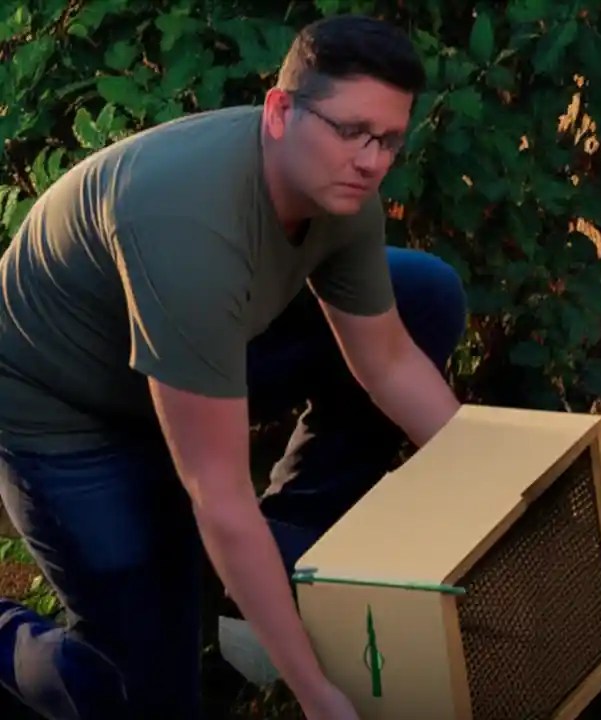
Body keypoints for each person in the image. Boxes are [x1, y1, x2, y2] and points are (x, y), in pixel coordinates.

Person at [0, 13, 466, 719]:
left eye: (388, 139)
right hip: (66, 410)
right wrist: (317, 694)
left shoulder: (341, 190)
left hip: (194, 351)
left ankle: (286, 559)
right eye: (350, 130)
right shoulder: (188, 229)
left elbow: (390, 361)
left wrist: (498, 501)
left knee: (422, 295)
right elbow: (218, 495)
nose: (371, 161)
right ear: (278, 111)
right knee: (135, 695)